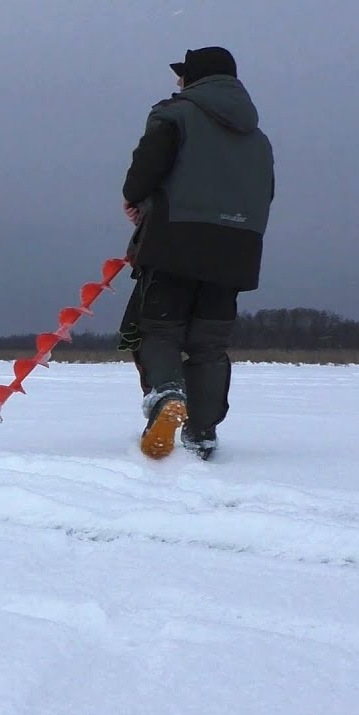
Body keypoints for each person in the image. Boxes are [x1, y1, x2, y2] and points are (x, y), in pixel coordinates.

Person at [117, 46, 275, 460]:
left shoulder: (175, 114)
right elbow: (267, 193)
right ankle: (201, 433)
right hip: (237, 250)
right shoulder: (259, 139)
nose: (177, 81)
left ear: (196, 77)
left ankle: (168, 396)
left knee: (158, 330)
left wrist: (136, 199)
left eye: (182, 74)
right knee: (209, 344)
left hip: (177, 241)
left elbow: (144, 171)